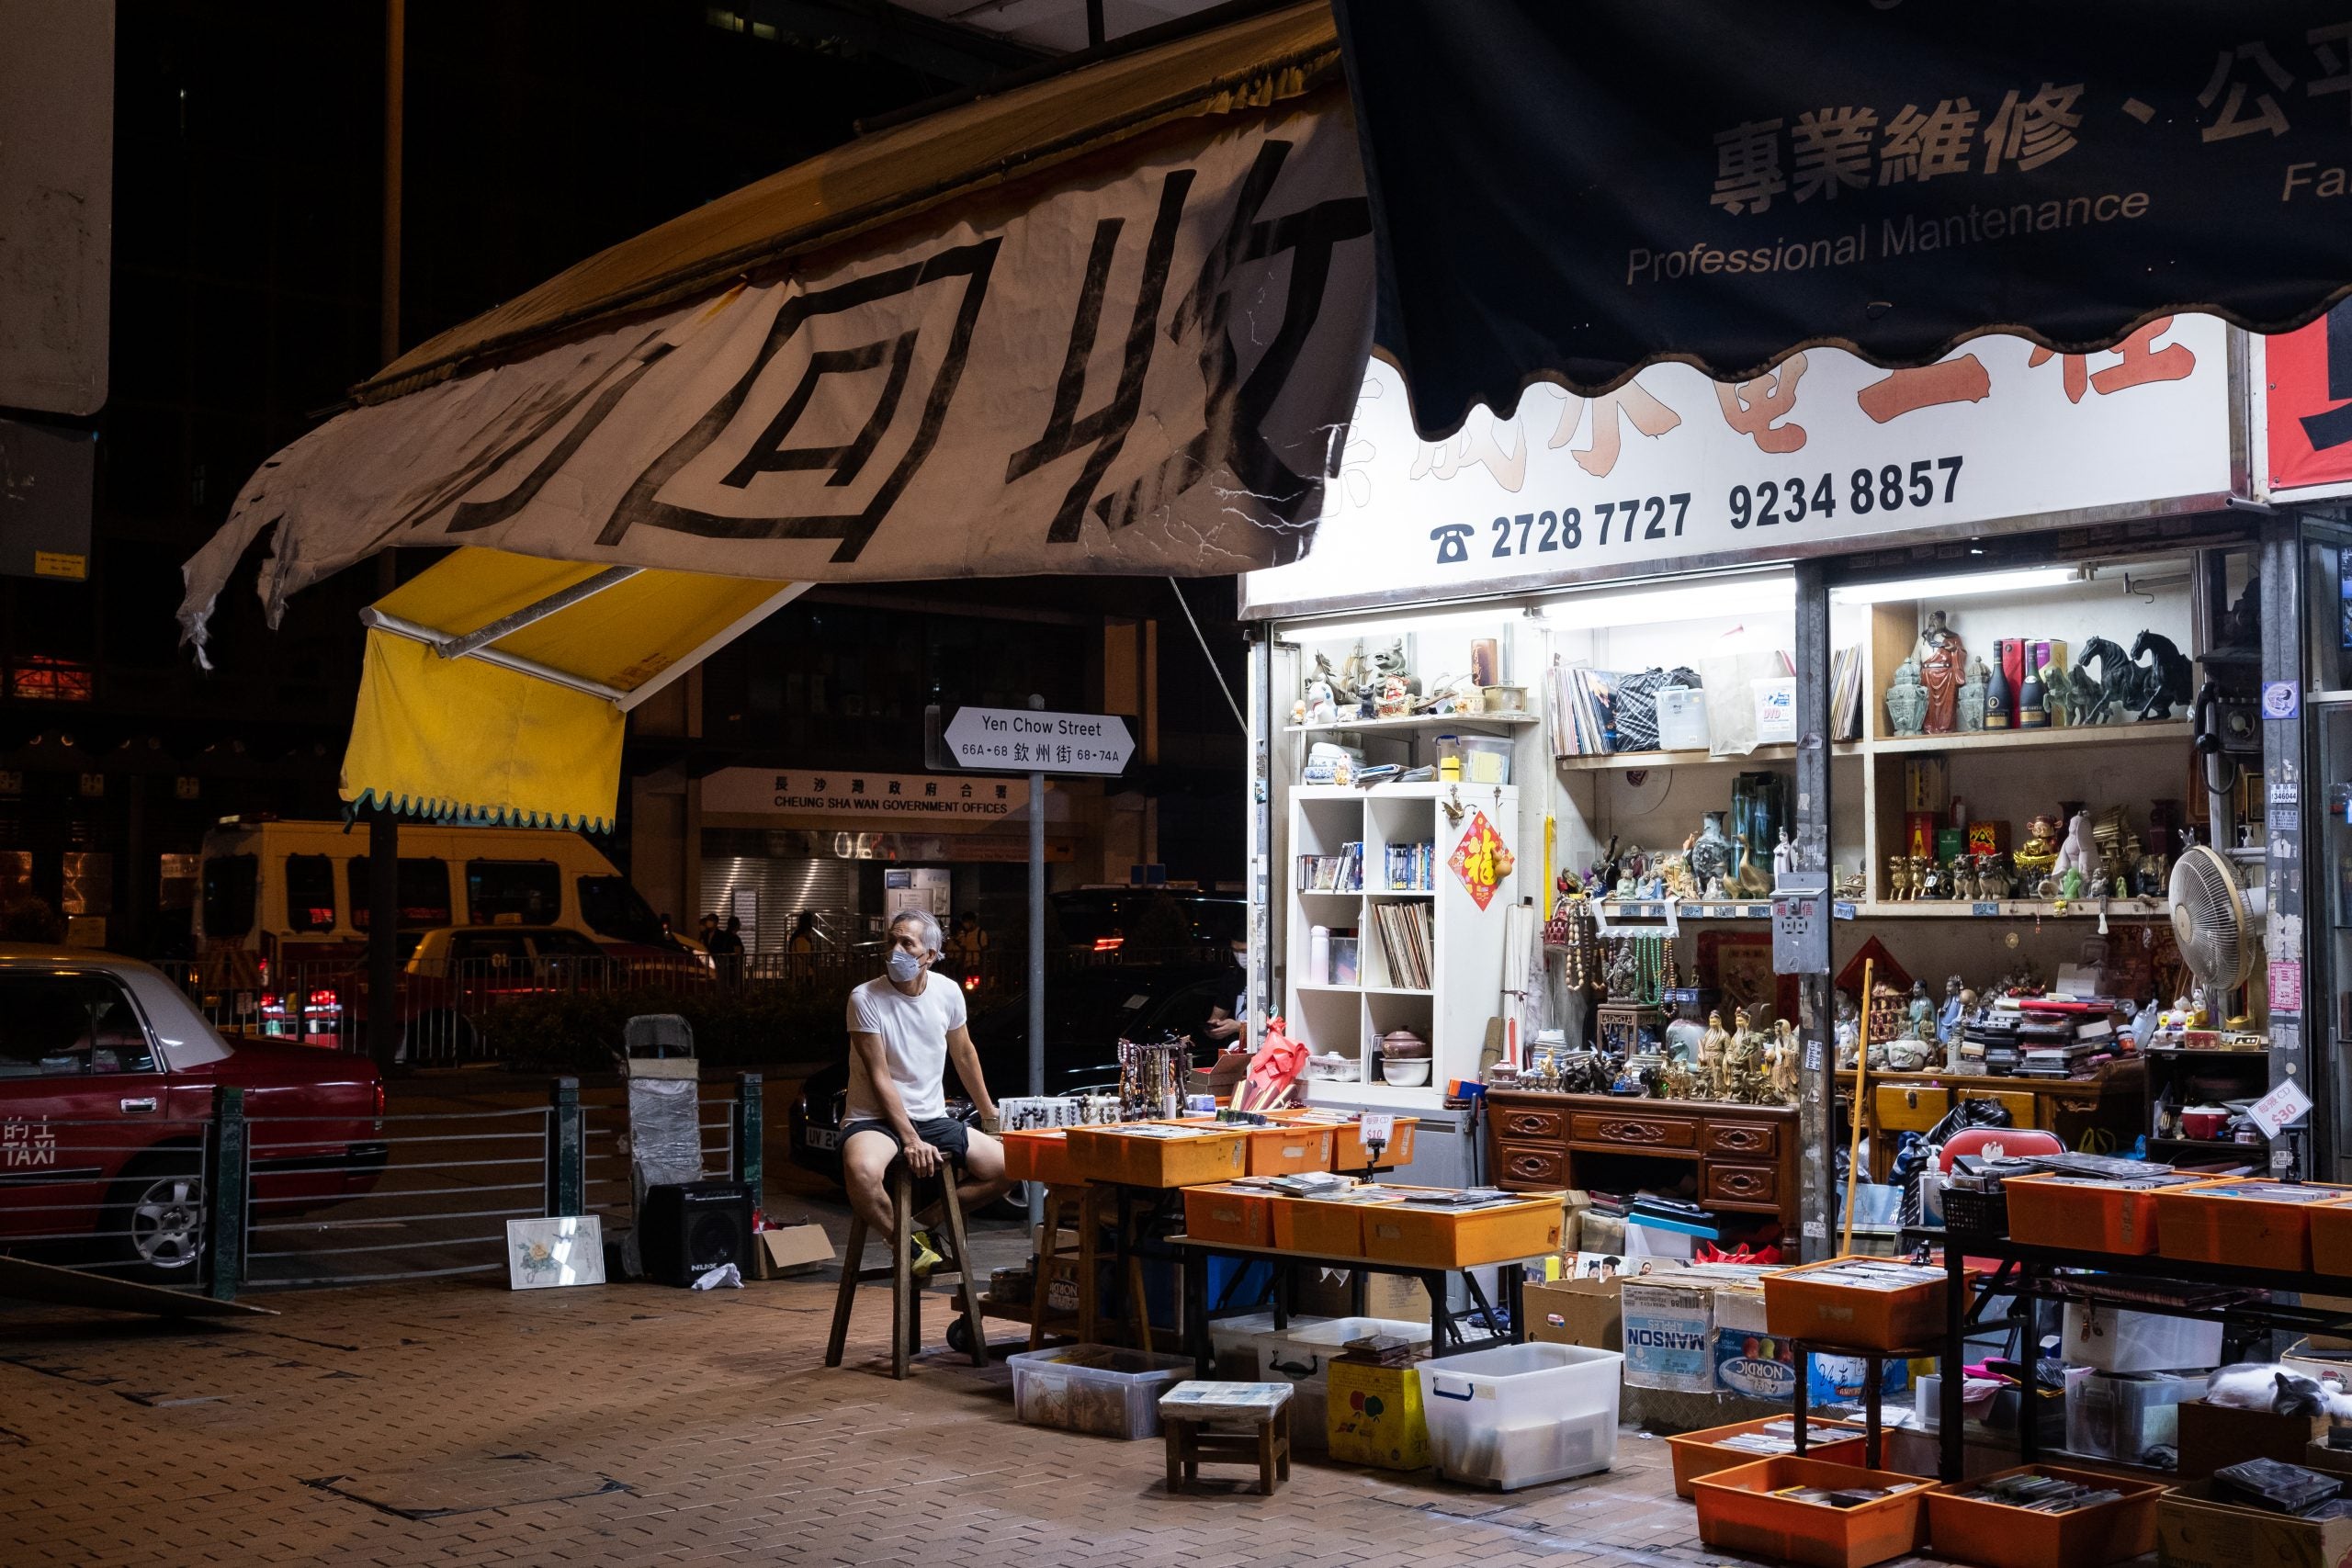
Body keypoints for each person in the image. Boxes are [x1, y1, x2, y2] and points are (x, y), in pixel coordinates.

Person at [841, 909, 1009, 1278]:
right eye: (892, 941)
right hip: (874, 1119)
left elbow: (964, 1054)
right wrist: (910, 1139)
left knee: (1011, 1167)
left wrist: (990, 1116)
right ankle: (907, 1243)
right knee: (862, 1171)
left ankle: (921, 1225)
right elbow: (880, 1075)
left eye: (907, 943)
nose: (895, 950)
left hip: (931, 1117)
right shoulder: (865, 998)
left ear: (930, 955)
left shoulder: (947, 992)